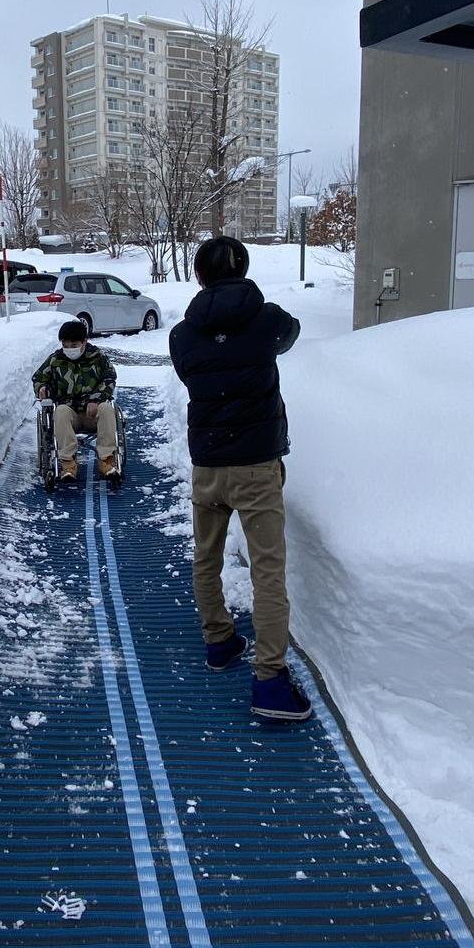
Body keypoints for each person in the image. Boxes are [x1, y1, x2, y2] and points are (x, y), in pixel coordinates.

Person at [169, 234, 310, 722]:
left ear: (200, 276)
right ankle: (269, 682)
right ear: (244, 269)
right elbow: (291, 333)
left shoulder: (182, 335)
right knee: (267, 571)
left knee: (206, 557)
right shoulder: (266, 320)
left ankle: (219, 642)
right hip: (256, 467)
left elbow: (193, 374)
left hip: (208, 466)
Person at [33, 318, 119, 480]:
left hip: (93, 412)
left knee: (107, 409)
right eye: (65, 346)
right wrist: (42, 388)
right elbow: (39, 378)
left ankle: (107, 460)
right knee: (61, 411)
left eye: (74, 346)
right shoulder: (56, 360)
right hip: (70, 414)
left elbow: (109, 378)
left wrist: (96, 399)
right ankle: (68, 463)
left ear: (84, 342)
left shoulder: (97, 358)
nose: (69, 349)